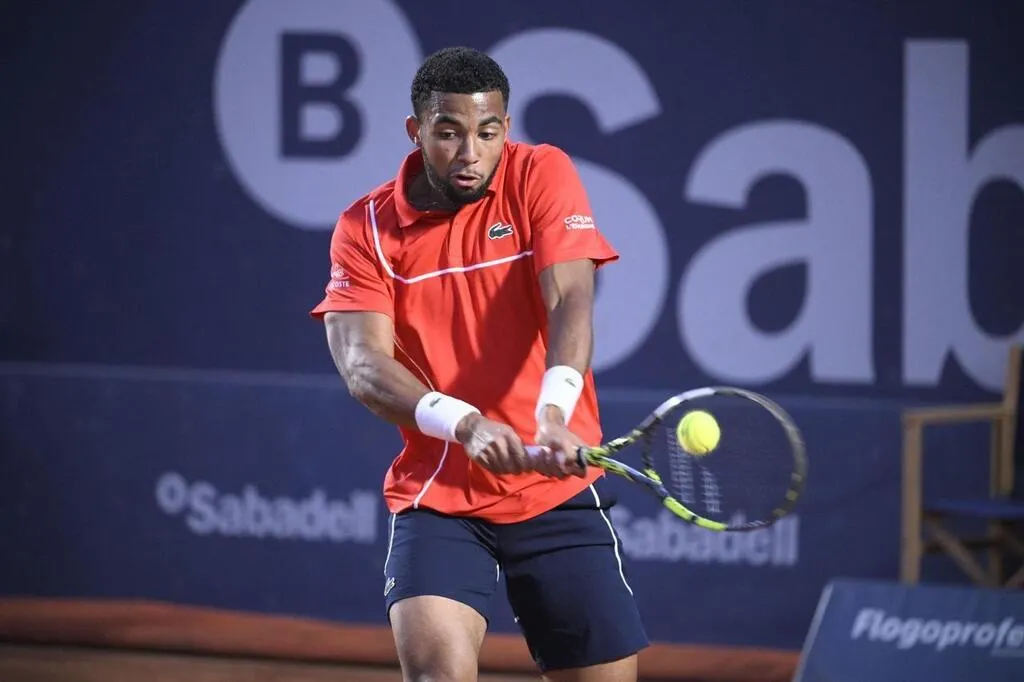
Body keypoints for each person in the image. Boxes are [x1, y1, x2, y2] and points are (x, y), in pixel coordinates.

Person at [310, 46, 647, 682]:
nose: (470, 152)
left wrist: (554, 410)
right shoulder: (366, 228)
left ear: (506, 128)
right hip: (440, 496)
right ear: (417, 131)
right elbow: (361, 366)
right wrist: (463, 423)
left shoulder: (541, 173)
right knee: (438, 674)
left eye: (487, 132)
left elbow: (570, 296)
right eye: (449, 132)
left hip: (556, 493)